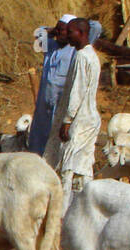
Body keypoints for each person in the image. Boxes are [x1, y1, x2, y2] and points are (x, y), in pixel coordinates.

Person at [45, 17, 101, 208]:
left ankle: (64, 210)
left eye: (71, 32)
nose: (67, 35)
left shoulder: (82, 57)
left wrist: (67, 121)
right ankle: (84, 206)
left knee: (68, 167)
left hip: (79, 119)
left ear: (82, 33)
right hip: (89, 118)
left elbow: (77, 92)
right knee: (82, 166)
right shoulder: (91, 55)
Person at [28, 15, 77, 154]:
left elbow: (95, 28)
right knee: (38, 139)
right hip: (44, 105)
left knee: (56, 142)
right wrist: (53, 30)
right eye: (58, 29)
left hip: (60, 106)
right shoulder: (50, 46)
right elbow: (37, 34)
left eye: (63, 30)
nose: (59, 33)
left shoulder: (74, 50)